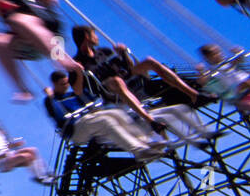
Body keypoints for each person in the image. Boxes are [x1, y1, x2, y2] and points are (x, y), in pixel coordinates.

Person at [70, 26, 208, 146]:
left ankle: (194, 95)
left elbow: (128, 67)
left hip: (129, 81)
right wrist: (78, 72)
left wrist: (123, 54)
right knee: (116, 81)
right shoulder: (77, 62)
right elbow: (78, 91)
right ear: (87, 37)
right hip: (112, 92)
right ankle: (150, 121)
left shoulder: (104, 52)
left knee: (149, 61)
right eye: (95, 35)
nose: (97, 38)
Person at [43, 70, 164, 158]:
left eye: (67, 83)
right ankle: (138, 151)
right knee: (105, 121)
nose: (66, 86)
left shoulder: (74, 94)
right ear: (54, 84)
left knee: (116, 113)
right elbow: (58, 115)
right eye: (62, 84)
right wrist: (51, 96)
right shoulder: (52, 101)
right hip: (75, 129)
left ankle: (145, 142)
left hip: (89, 121)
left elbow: (92, 99)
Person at [0, 117, 53, 184]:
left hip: (8, 155)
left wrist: (14, 145)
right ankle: (40, 177)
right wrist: (2, 156)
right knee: (26, 156)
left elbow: (4, 146)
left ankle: (43, 173)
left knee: (32, 150)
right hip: (1, 163)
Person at [197, 43, 250, 115]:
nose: (219, 55)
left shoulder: (228, 62)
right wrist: (201, 71)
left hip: (246, 81)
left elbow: (239, 59)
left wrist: (238, 52)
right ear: (208, 58)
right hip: (236, 89)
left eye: (219, 52)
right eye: (215, 54)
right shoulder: (211, 70)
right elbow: (201, 81)